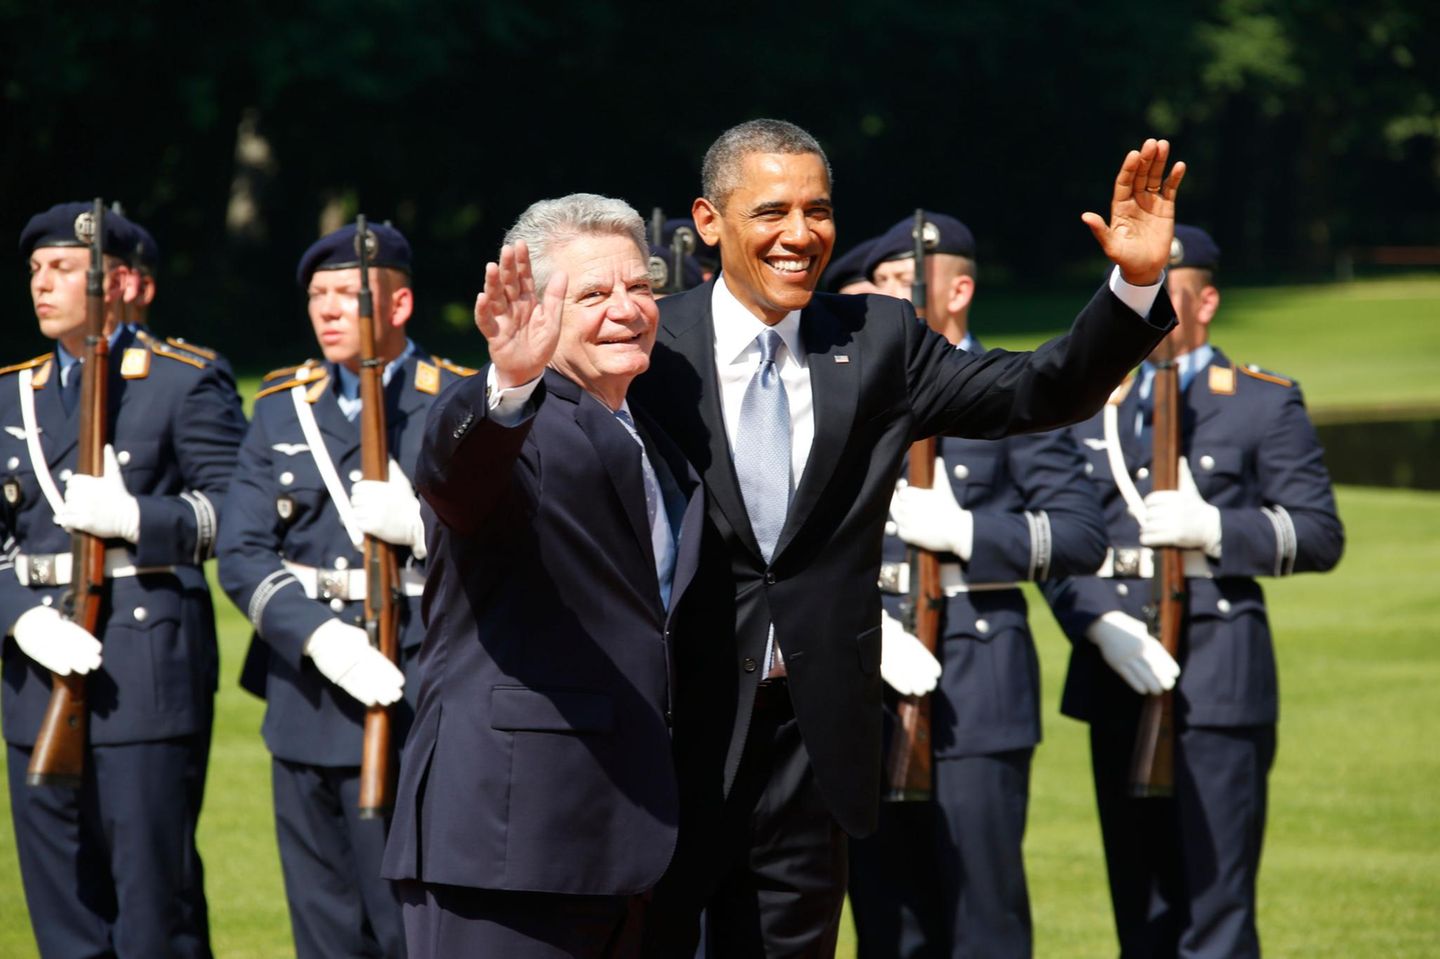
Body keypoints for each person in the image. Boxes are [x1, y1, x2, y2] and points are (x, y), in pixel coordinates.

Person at [629, 118, 1186, 957]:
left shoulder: (876, 338)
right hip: (673, 735)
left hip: (812, 746)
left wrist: (1134, 285)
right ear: (708, 221)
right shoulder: (649, 345)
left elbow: (1036, 389)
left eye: (818, 210)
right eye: (771, 211)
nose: (800, 234)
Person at [381, 194, 708, 957]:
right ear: (536, 306)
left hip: (631, 843)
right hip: (511, 846)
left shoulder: (655, 433)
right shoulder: (514, 424)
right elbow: (458, 478)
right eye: (594, 294)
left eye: (639, 287)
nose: (627, 309)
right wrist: (508, 384)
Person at [1041, 225, 1344, 958]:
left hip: (1218, 678)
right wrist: (1098, 622)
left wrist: (1216, 528)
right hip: (1118, 669)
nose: (1147, 312)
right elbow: (1062, 540)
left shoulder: (1259, 402)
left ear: (1205, 303)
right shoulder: (1093, 401)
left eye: (1165, 296)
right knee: (1138, 907)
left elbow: (1319, 533)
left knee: (1217, 907)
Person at [845, 212, 1108, 958]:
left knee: (981, 914)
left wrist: (967, 535)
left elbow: (1081, 534)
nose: (886, 298)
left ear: (957, 291)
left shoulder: (1008, 391)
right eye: (881, 283)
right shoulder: (850, 394)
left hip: (978, 683)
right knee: (886, 918)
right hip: (866, 676)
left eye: (904, 282)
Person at [217, 221, 470, 959]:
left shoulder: (455, 398)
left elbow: (505, 542)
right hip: (309, 690)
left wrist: (422, 527)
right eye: (317, 295)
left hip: (421, 677)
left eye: (345, 294)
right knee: (323, 926)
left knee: (411, 926)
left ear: (399, 305)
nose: (327, 309)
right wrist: (320, 638)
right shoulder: (282, 404)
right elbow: (241, 551)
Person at [2, 201, 245, 957]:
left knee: (152, 909)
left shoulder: (180, 380)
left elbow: (236, 513)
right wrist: (18, 614)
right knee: (62, 909)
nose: (42, 284)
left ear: (117, 284)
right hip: (35, 669)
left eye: (63, 269)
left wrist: (139, 517)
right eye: (36, 269)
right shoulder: (14, 392)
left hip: (143, 667)